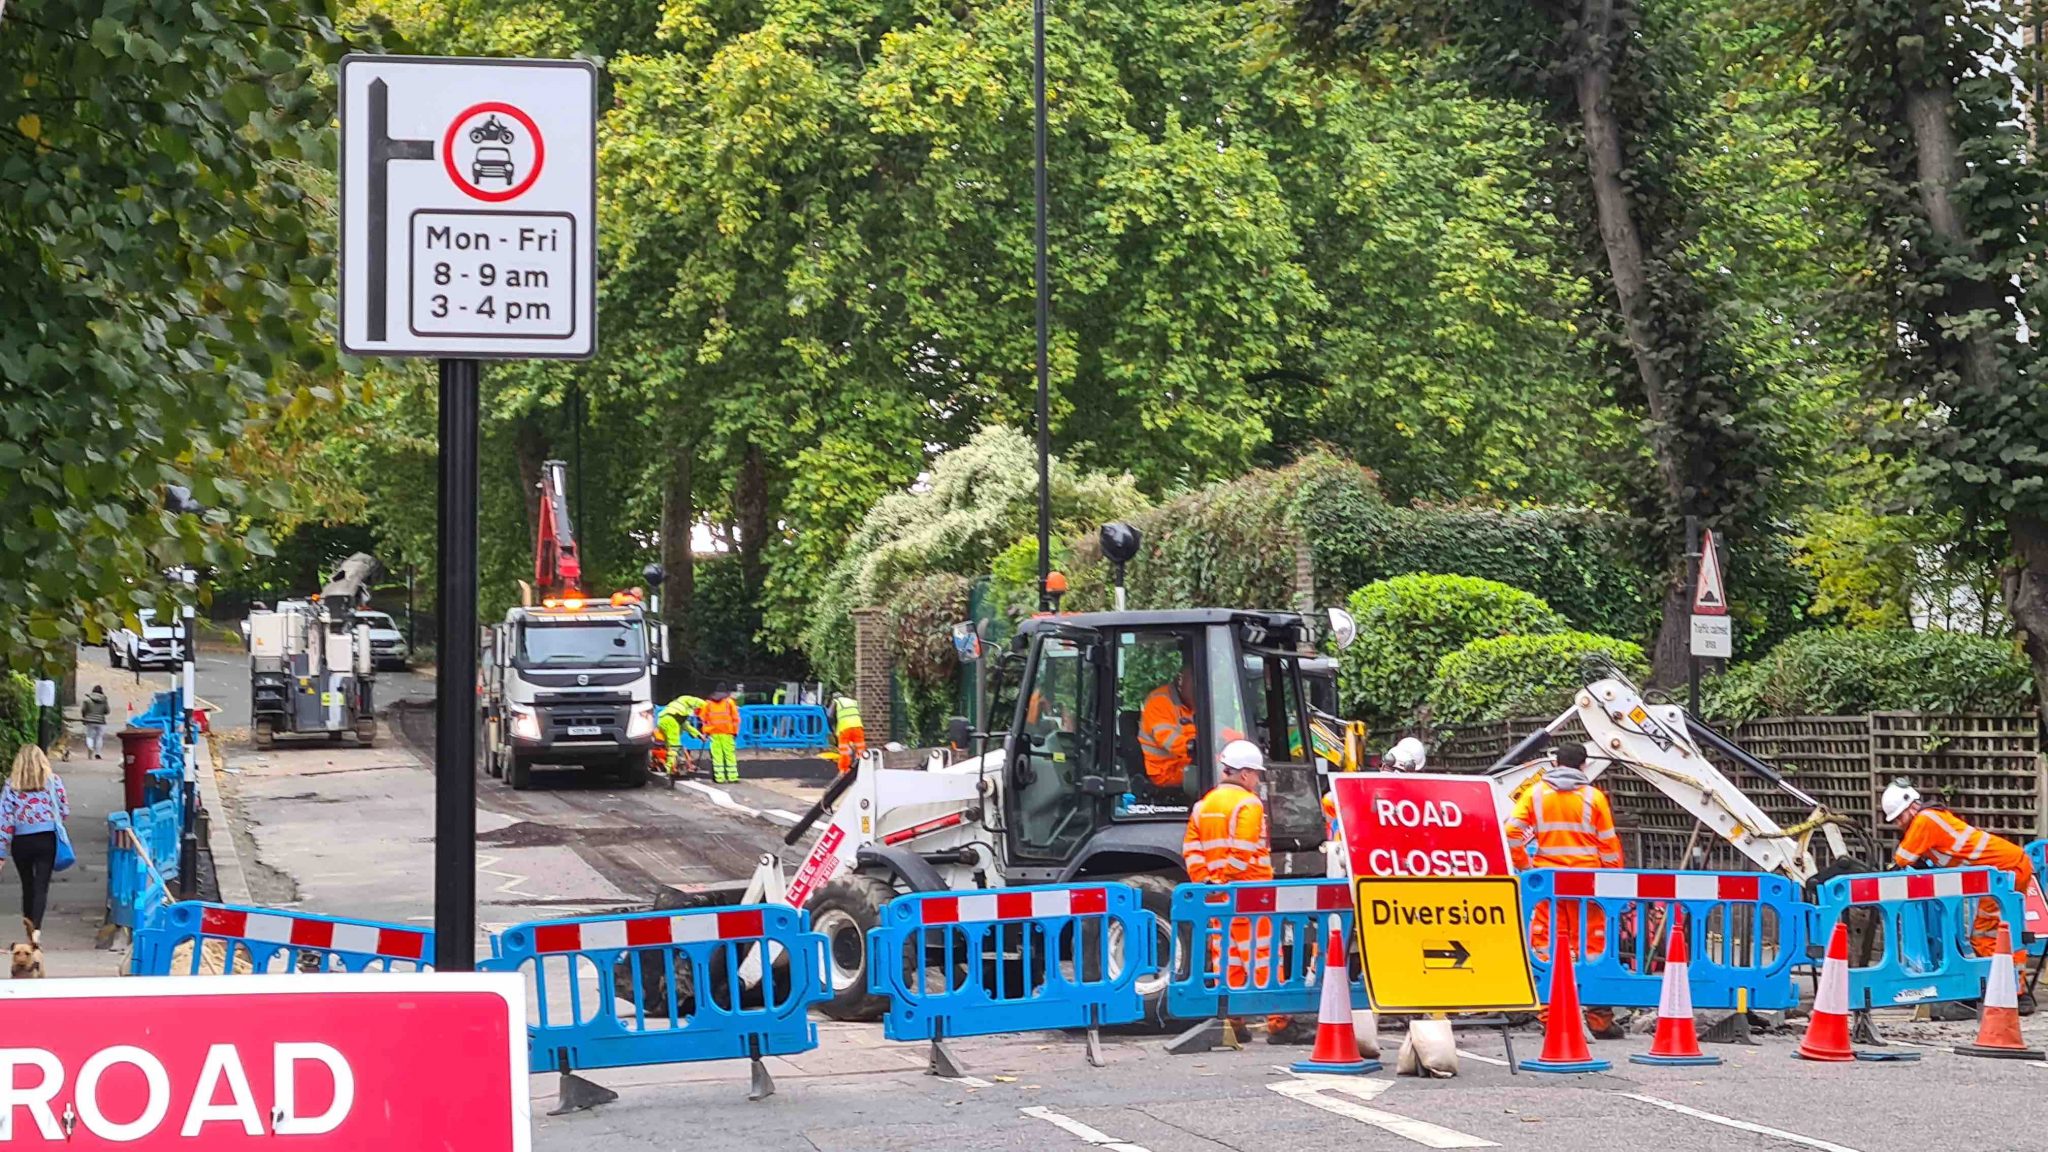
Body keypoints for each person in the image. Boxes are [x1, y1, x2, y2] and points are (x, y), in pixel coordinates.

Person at [1183, 739, 1302, 1044]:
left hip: (1216, 896)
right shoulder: (1248, 804)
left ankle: (1233, 1022)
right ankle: (1279, 1023)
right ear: (1245, 773)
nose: (1258, 781)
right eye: (1257, 774)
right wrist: (1225, 878)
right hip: (1251, 894)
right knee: (1263, 957)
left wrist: (1207, 882)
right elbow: (1244, 852)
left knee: (1228, 958)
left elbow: (1192, 850)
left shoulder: (1202, 805)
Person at [1507, 741, 1625, 1039]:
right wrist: (1614, 880)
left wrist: (1527, 866)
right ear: (1584, 766)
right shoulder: (1594, 798)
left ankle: (1550, 1017)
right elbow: (1608, 844)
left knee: (1548, 947)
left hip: (1549, 883)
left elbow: (1512, 833)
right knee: (1594, 949)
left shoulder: (1534, 794)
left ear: (1555, 763)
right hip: (1589, 884)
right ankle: (1599, 1020)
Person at [1884, 781, 2038, 995]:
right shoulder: (1933, 818)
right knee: (2003, 929)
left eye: (1900, 817)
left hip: (2005, 871)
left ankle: (2010, 992)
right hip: (2009, 867)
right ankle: (2011, 989)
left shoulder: (1924, 821)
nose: (1899, 824)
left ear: (1911, 806)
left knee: (1986, 935)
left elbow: (1902, 858)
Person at [0, 745, 69, 948]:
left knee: (27, 885)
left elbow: (4, 821)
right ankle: (36, 931)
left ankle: (28, 925)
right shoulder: (53, 782)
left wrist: (1, 852)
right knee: (41, 886)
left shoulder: (11, 785)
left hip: (21, 841)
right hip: (46, 839)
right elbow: (64, 810)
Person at [1140, 662, 1198, 790]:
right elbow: (1171, 741)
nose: (1200, 690)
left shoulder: (1191, 704)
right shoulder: (1160, 702)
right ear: (1181, 680)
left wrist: (1241, 738)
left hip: (1185, 767)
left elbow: (1218, 729)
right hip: (1164, 772)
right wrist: (1199, 748)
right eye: (1195, 683)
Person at [655, 692, 706, 779]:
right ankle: (670, 768)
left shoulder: (677, 708)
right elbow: (686, 725)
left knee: (670, 747)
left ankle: (671, 766)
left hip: (662, 721)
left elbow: (686, 726)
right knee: (675, 747)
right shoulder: (682, 710)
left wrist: (699, 735)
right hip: (671, 722)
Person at [699, 686, 741, 784]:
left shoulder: (708, 704)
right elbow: (735, 718)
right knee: (729, 755)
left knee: (717, 756)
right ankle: (732, 777)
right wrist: (735, 732)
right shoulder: (729, 702)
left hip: (714, 732)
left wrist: (705, 731)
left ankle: (719, 777)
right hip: (727, 732)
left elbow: (702, 718)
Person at [830, 693, 865, 775]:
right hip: (858, 726)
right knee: (860, 748)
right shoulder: (853, 701)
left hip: (845, 728)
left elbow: (830, 716)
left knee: (844, 750)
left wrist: (833, 729)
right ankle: (862, 766)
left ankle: (844, 770)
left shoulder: (836, 701)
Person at [80, 686, 110, 760]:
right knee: (99, 737)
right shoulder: (104, 700)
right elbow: (107, 711)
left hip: (89, 720)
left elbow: (83, 710)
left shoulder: (87, 700)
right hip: (101, 721)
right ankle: (98, 753)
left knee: (89, 736)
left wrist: (84, 717)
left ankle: (90, 747)